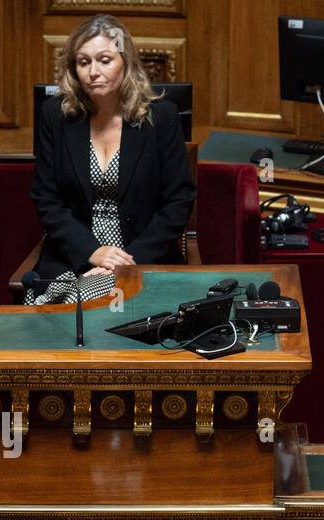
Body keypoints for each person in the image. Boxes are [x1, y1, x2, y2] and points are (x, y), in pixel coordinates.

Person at [28, 15, 196, 304]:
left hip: (141, 255)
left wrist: (127, 261)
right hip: (74, 252)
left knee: (85, 307)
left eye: (105, 60)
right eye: (83, 62)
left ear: (126, 62)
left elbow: (178, 202)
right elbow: (46, 199)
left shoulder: (162, 118)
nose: (93, 72)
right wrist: (91, 251)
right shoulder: (55, 116)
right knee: (53, 310)